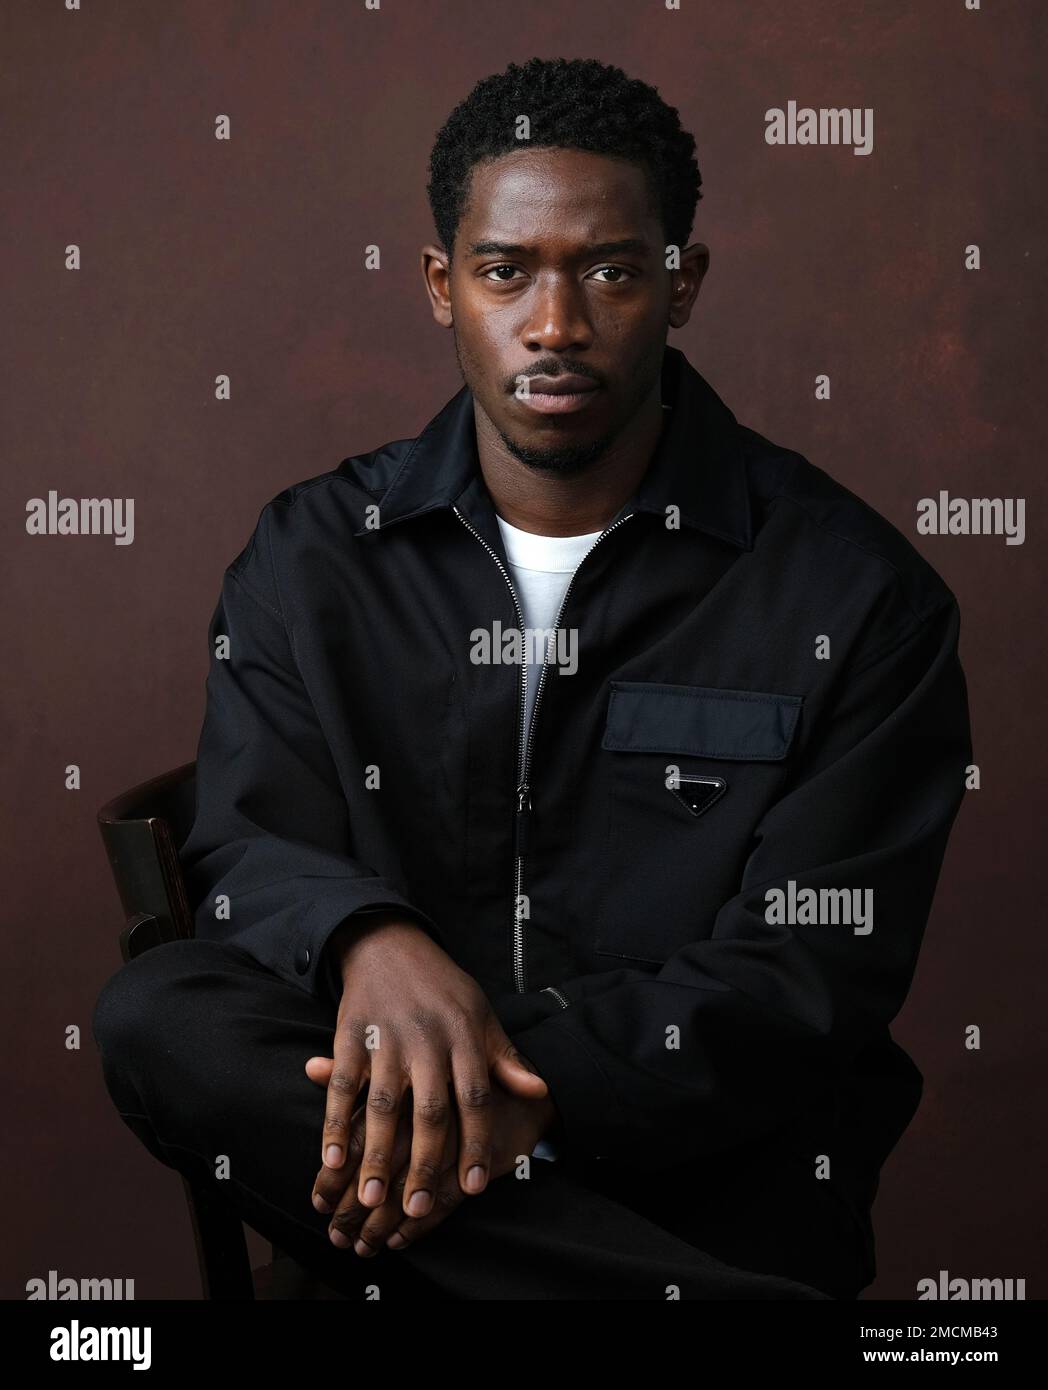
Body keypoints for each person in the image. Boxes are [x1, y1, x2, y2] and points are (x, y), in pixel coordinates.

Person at [91, 56, 972, 1300]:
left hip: (704, 1188)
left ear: (681, 285)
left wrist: (497, 1086)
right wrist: (370, 937)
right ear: (443, 287)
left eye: (609, 271)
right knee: (158, 1013)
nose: (553, 326)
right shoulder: (312, 557)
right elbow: (250, 853)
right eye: (506, 272)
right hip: (405, 1172)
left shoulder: (856, 594)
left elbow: (802, 981)